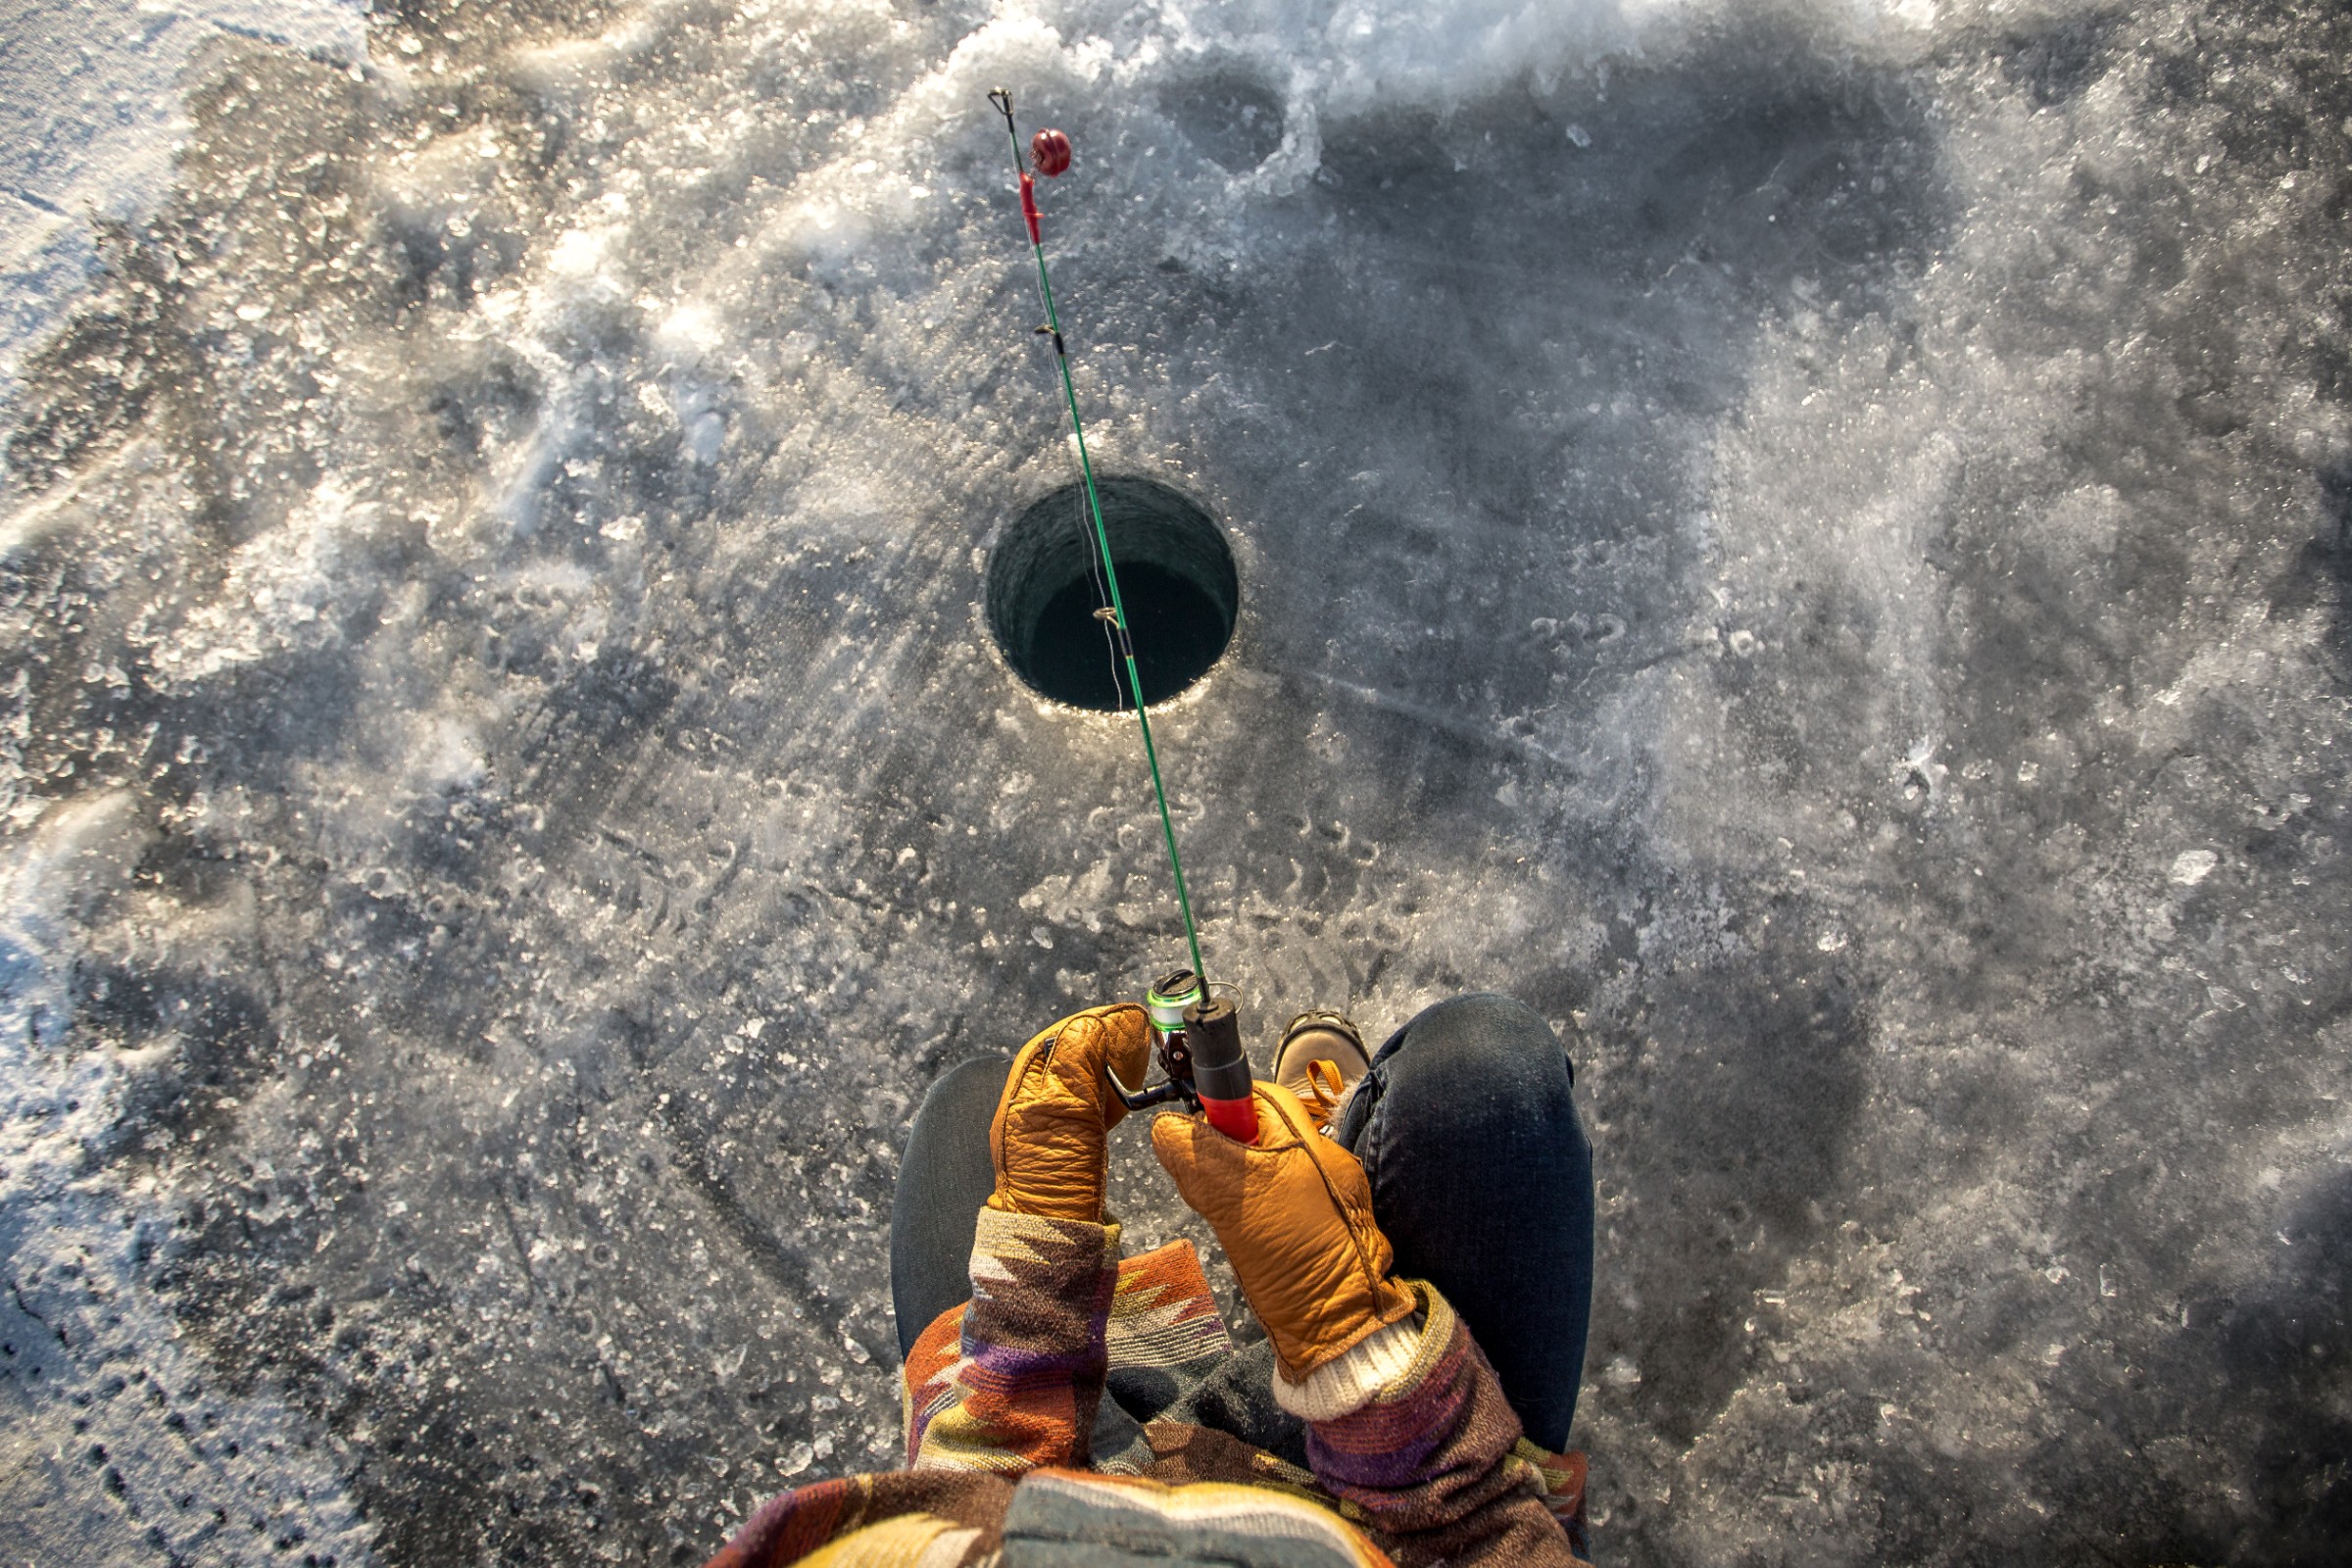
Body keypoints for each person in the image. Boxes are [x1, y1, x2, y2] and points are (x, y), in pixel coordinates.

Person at [704, 993, 1596, 1567]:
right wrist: (1353, 1341)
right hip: (1392, 1518)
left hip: (1080, 1474)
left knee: (969, 1105)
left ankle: (1320, 1192)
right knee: (1488, 1074)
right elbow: (1488, 1542)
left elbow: (964, 1507)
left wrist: (1033, 1277)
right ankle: (1344, 1197)